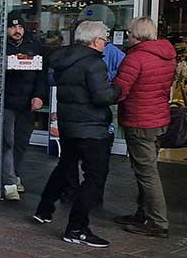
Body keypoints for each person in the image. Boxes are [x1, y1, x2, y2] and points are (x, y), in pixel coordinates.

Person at [34, 21, 119, 248]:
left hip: (69, 126)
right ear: (94, 41)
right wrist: (118, 90)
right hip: (91, 129)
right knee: (95, 178)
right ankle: (77, 228)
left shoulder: (65, 59)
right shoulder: (93, 64)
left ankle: (44, 209)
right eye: (104, 39)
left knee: (65, 166)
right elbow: (103, 97)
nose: (106, 43)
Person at [111, 16, 176, 238]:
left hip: (140, 121)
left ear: (137, 35)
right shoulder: (167, 55)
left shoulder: (135, 58)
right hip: (159, 119)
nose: (128, 37)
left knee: (147, 174)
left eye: (130, 33)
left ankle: (158, 222)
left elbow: (120, 90)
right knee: (146, 170)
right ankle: (143, 214)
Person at [0, 11, 48, 201]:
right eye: (12, 27)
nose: (17, 31)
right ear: (6, 28)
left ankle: (14, 175)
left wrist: (39, 96)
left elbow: (42, 74)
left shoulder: (34, 45)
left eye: (19, 27)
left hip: (28, 103)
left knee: (21, 141)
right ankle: (9, 181)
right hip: (7, 101)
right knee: (7, 140)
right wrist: (5, 67)